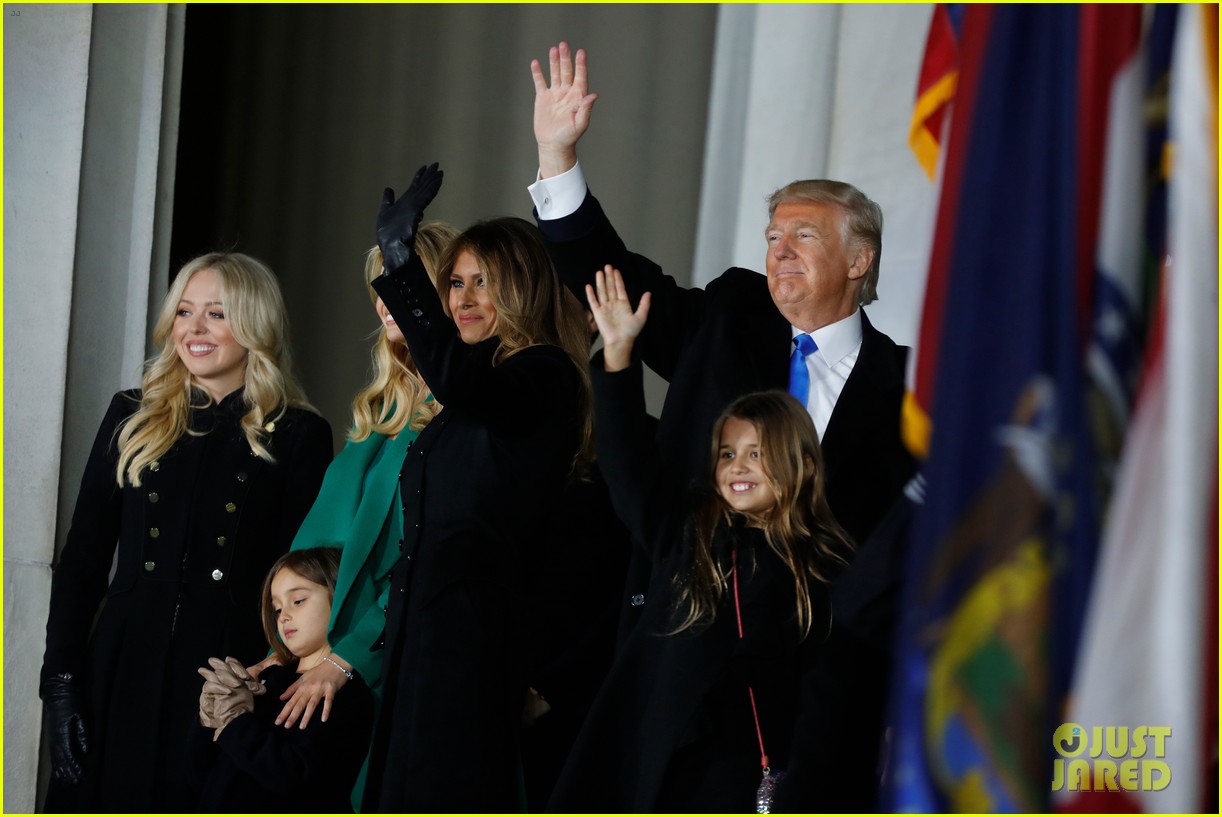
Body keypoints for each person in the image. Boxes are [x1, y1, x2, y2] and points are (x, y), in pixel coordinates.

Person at [529, 43, 918, 806]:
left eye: (802, 235)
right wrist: (558, 156)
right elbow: (613, 279)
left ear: (859, 258)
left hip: (821, 689)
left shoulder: (908, 389)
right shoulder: (730, 315)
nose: (778, 252)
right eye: (772, 236)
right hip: (687, 664)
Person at [546, 264, 853, 810]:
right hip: (657, 774)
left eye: (757, 453)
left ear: (798, 462)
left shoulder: (824, 563)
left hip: (749, 783)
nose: (738, 467)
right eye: (728, 454)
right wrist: (617, 357)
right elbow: (627, 467)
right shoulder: (689, 534)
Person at [39, 252, 333, 811]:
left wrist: (272, 676)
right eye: (184, 312)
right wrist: (60, 683)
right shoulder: (131, 414)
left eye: (217, 314)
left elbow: (303, 575)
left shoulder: (299, 433)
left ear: (254, 325)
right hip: (120, 667)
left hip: (226, 676)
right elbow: (81, 560)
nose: (193, 329)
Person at [361, 163, 593, 811]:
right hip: (424, 642)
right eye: (453, 282)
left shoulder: (543, 375)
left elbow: (464, 383)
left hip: (472, 648)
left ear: (520, 288)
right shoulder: (475, 391)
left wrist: (404, 265)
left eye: (479, 282)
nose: (460, 298)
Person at [267, 223, 457, 810]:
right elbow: (319, 554)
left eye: (402, 282)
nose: (384, 300)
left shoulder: (459, 412)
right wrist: (283, 651)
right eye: (380, 285)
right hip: (337, 673)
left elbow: (429, 557)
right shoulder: (382, 412)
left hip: (401, 667)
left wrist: (348, 659)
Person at [192, 547, 375, 812]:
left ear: (341, 596)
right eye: (277, 609)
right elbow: (199, 774)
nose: (284, 616)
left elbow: (295, 777)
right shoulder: (266, 680)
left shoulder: (345, 693)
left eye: (298, 600)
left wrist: (236, 722)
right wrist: (208, 720)